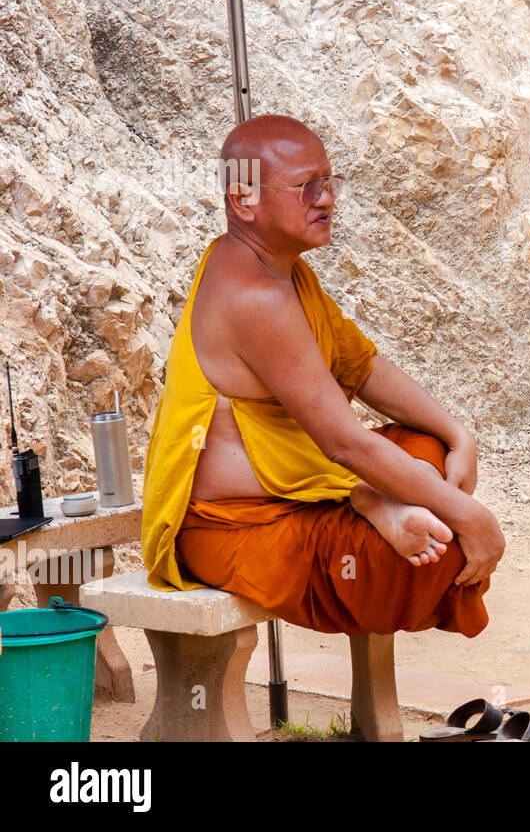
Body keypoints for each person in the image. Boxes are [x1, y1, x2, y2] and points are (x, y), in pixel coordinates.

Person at [140, 114, 504, 636]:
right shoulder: (252, 295)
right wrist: (476, 519)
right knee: (439, 555)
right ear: (244, 200)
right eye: (306, 186)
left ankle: (373, 498)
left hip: (307, 492)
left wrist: (457, 433)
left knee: (429, 450)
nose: (326, 199)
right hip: (236, 524)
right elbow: (345, 445)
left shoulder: (280, 268)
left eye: (329, 182)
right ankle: (371, 499)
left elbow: (360, 364)